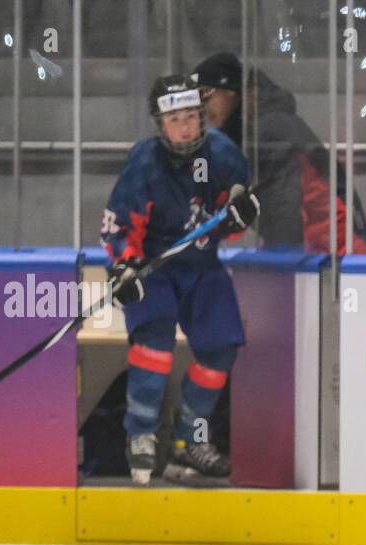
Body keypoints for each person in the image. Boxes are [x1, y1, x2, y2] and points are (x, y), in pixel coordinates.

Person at [101, 73, 260, 486]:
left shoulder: (223, 155)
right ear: (160, 123)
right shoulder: (144, 161)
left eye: (192, 116)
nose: (186, 126)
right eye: (176, 120)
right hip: (152, 268)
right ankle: (140, 433)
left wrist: (239, 218)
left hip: (200, 266)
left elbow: (231, 219)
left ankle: (193, 437)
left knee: (221, 347)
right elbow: (119, 226)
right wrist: (124, 266)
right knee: (153, 343)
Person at [191, 51, 366, 254]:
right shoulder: (252, 132)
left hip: (335, 254)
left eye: (205, 94)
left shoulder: (269, 129)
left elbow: (284, 211)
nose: (202, 108)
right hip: (322, 251)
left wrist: (278, 265)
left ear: (231, 90)